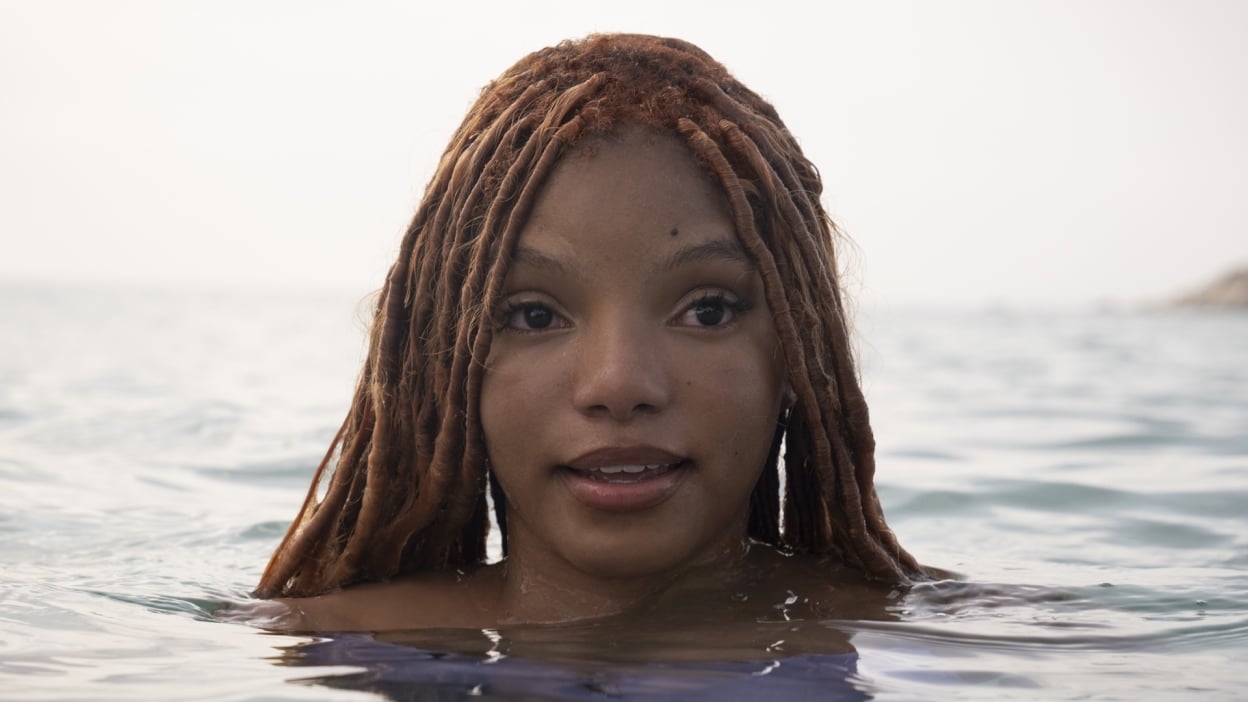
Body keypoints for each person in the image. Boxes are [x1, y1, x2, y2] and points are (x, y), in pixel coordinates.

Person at [252, 32, 927, 633]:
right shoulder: (323, 646)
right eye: (535, 315)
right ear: (441, 368)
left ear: (797, 354)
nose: (620, 384)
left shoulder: (945, 640)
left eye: (709, 309)